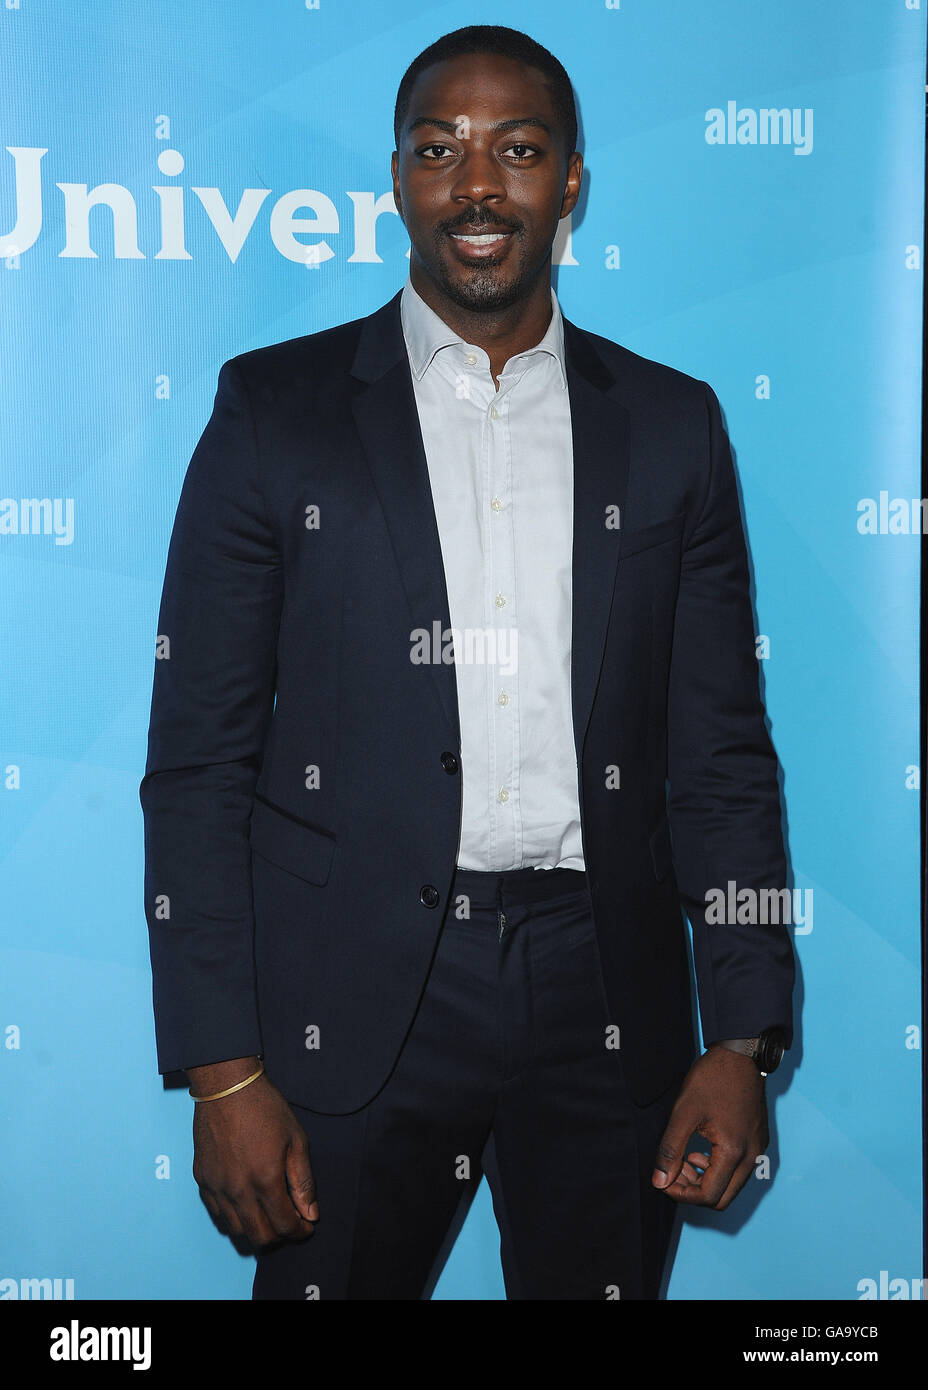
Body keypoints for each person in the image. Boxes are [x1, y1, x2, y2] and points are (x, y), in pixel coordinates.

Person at [140, 24, 795, 1301]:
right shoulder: (272, 413)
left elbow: (722, 756)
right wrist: (221, 1067)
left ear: (571, 181)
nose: (478, 184)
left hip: (604, 993)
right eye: (440, 150)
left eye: (519, 149)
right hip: (349, 995)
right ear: (397, 179)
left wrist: (745, 1036)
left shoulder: (671, 427)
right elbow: (198, 766)